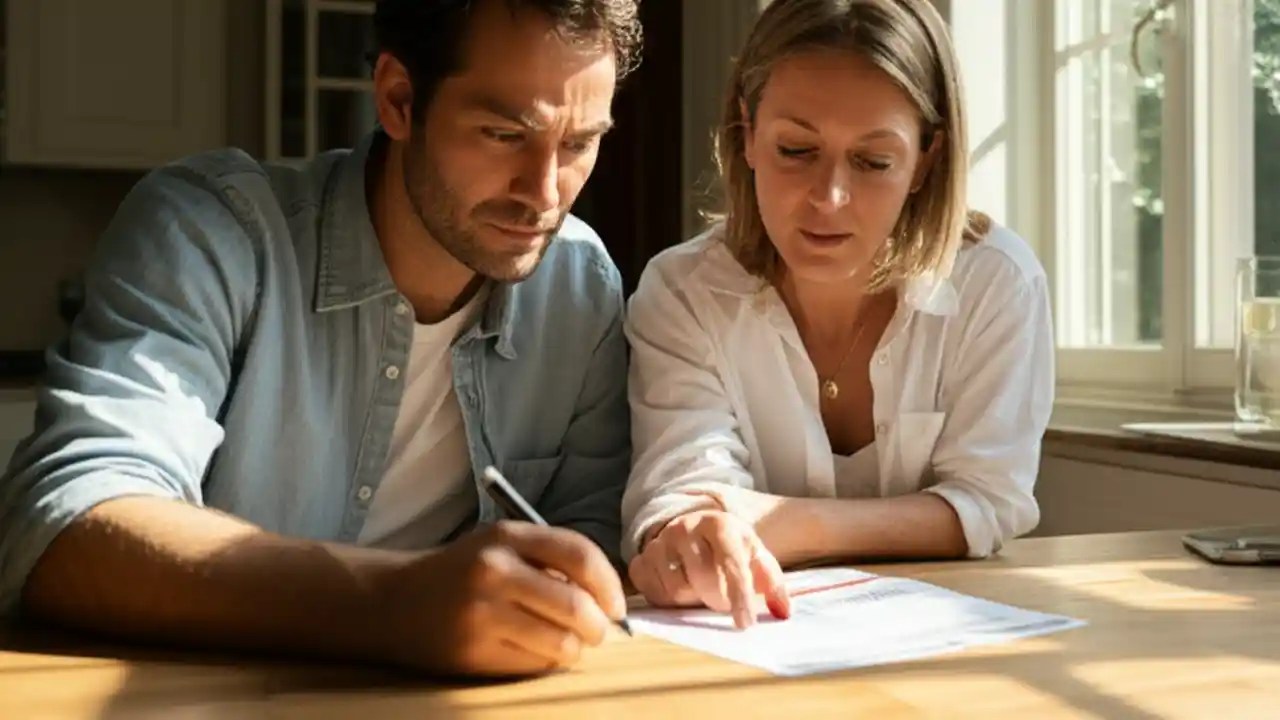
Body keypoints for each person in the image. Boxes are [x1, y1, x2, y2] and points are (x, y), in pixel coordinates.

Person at [0, 0, 641, 677]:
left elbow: (591, 542)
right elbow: (65, 526)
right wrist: (390, 602)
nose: (543, 193)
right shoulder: (212, 235)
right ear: (398, 99)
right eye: (503, 133)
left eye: (577, 144)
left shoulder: (579, 287)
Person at [622, 0, 1053, 630]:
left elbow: (989, 503)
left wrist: (780, 524)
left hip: (947, 645)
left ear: (925, 161)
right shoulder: (683, 290)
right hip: (746, 641)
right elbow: (685, 490)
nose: (829, 198)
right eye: (796, 150)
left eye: (874, 162)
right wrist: (690, 533)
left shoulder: (996, 283)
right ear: (746, 133)